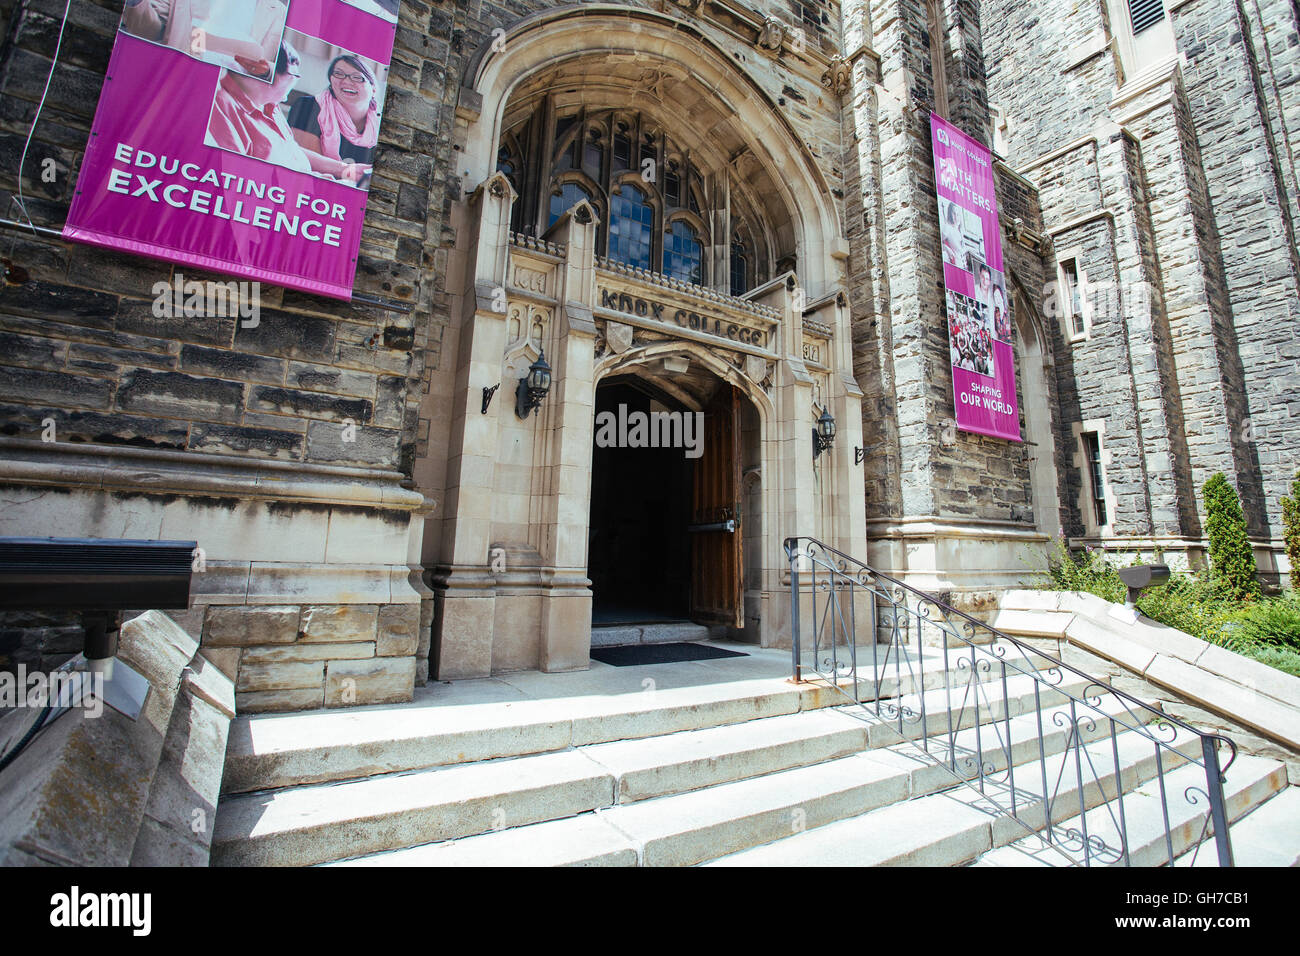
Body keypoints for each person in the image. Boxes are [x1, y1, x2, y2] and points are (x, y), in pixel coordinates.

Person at [208, 40, 369, 183]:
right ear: (261, 68)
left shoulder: (270, 106)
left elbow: (291, 150)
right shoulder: (222, 111)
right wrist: (320, 184)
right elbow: (237, 181)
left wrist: (344, 169)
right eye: (295, 75)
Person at [288, 54, 379, 179]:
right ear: (331, 82)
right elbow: (305, 166)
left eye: (357, 77)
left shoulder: (380, 126)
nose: (346, 81)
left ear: (373, 89)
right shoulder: (307, 106)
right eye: (338, 74)